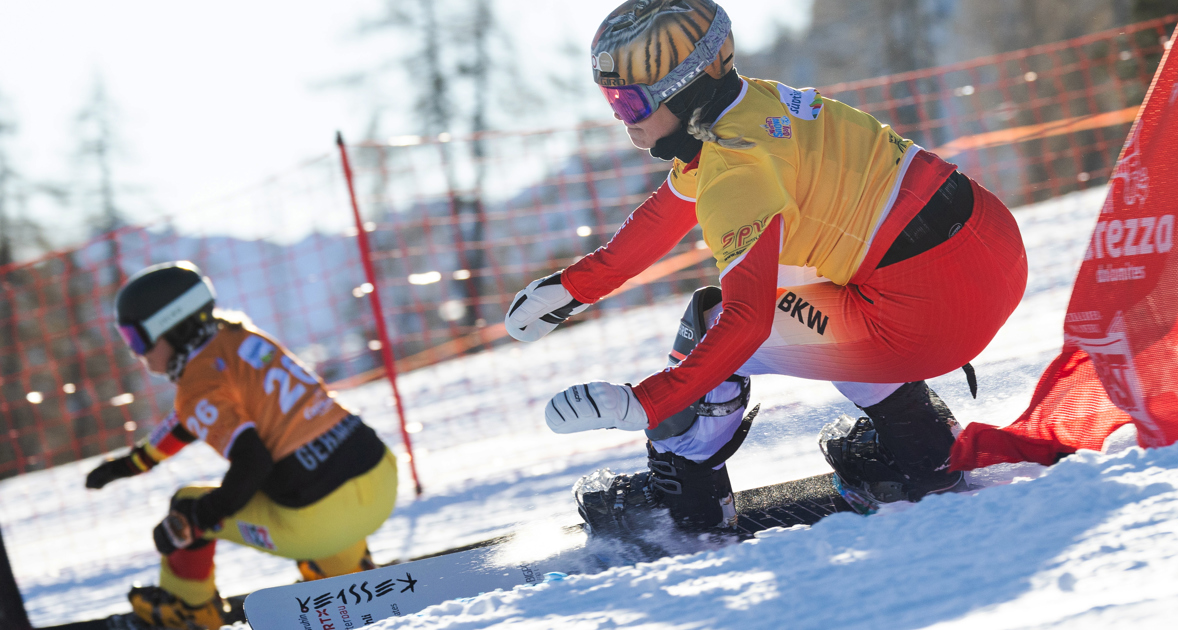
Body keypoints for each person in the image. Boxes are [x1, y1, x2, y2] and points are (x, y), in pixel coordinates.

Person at [505, 0, 1027, 530]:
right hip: (990, 248)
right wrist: (571, 287)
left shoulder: (736, 169)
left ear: (682, 89)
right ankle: (923, 450)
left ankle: (685, 506)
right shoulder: (746, 106)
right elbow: (669, 211)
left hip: (926, 313)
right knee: (819, 285)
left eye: (629, 104)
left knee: (710, 321)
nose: (623, 121)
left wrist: (644, 403)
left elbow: (745, 324)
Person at [85, 261, 398, 630]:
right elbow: (191, 418)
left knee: (187, 502)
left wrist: (195, 521)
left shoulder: (196, 386)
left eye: (136, 339)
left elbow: (252, 462)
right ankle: (348, 573)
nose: (137, 353)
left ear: (169, 326)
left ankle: (188, 613)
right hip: (380, 479)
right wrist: (131, 464)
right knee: (315, 474)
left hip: (318, 522)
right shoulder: (242, 337)